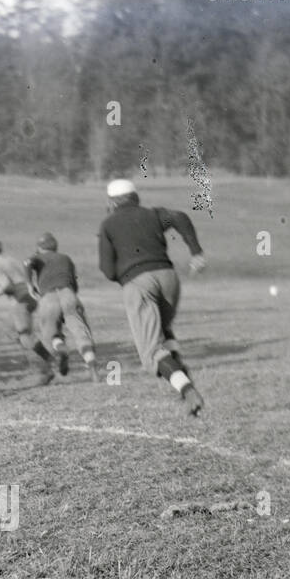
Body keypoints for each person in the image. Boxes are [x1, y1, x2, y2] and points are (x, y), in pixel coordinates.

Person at [97, 177, 205, 415]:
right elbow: (180, 217)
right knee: (164, 330)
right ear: (135, 198)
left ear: (112, 202)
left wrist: (126, 276)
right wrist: (195, 252)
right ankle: (181, 377)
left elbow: (106, 269)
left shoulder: (108, 225)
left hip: (138, 282)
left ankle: (188, 391)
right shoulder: (153, 214)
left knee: (152, 352)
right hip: (169, 277)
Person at [28, 232, 99, 380]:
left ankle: (61, 350)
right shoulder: (65, 258)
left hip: (48, 298)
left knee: (51, 333)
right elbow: (74, 284)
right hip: (68, 294)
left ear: (39, 248)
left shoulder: (38, 257)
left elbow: (26, 263)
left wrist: (29, 284)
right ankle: (92, 366)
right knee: (81, 332)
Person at [0, 239, 55, 382]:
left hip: (21, 300)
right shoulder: (10, 259)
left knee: (25, 337)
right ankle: (42, 366)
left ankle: (48, 364)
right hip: (31, 296)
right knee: (17, 333)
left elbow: (8, 287)